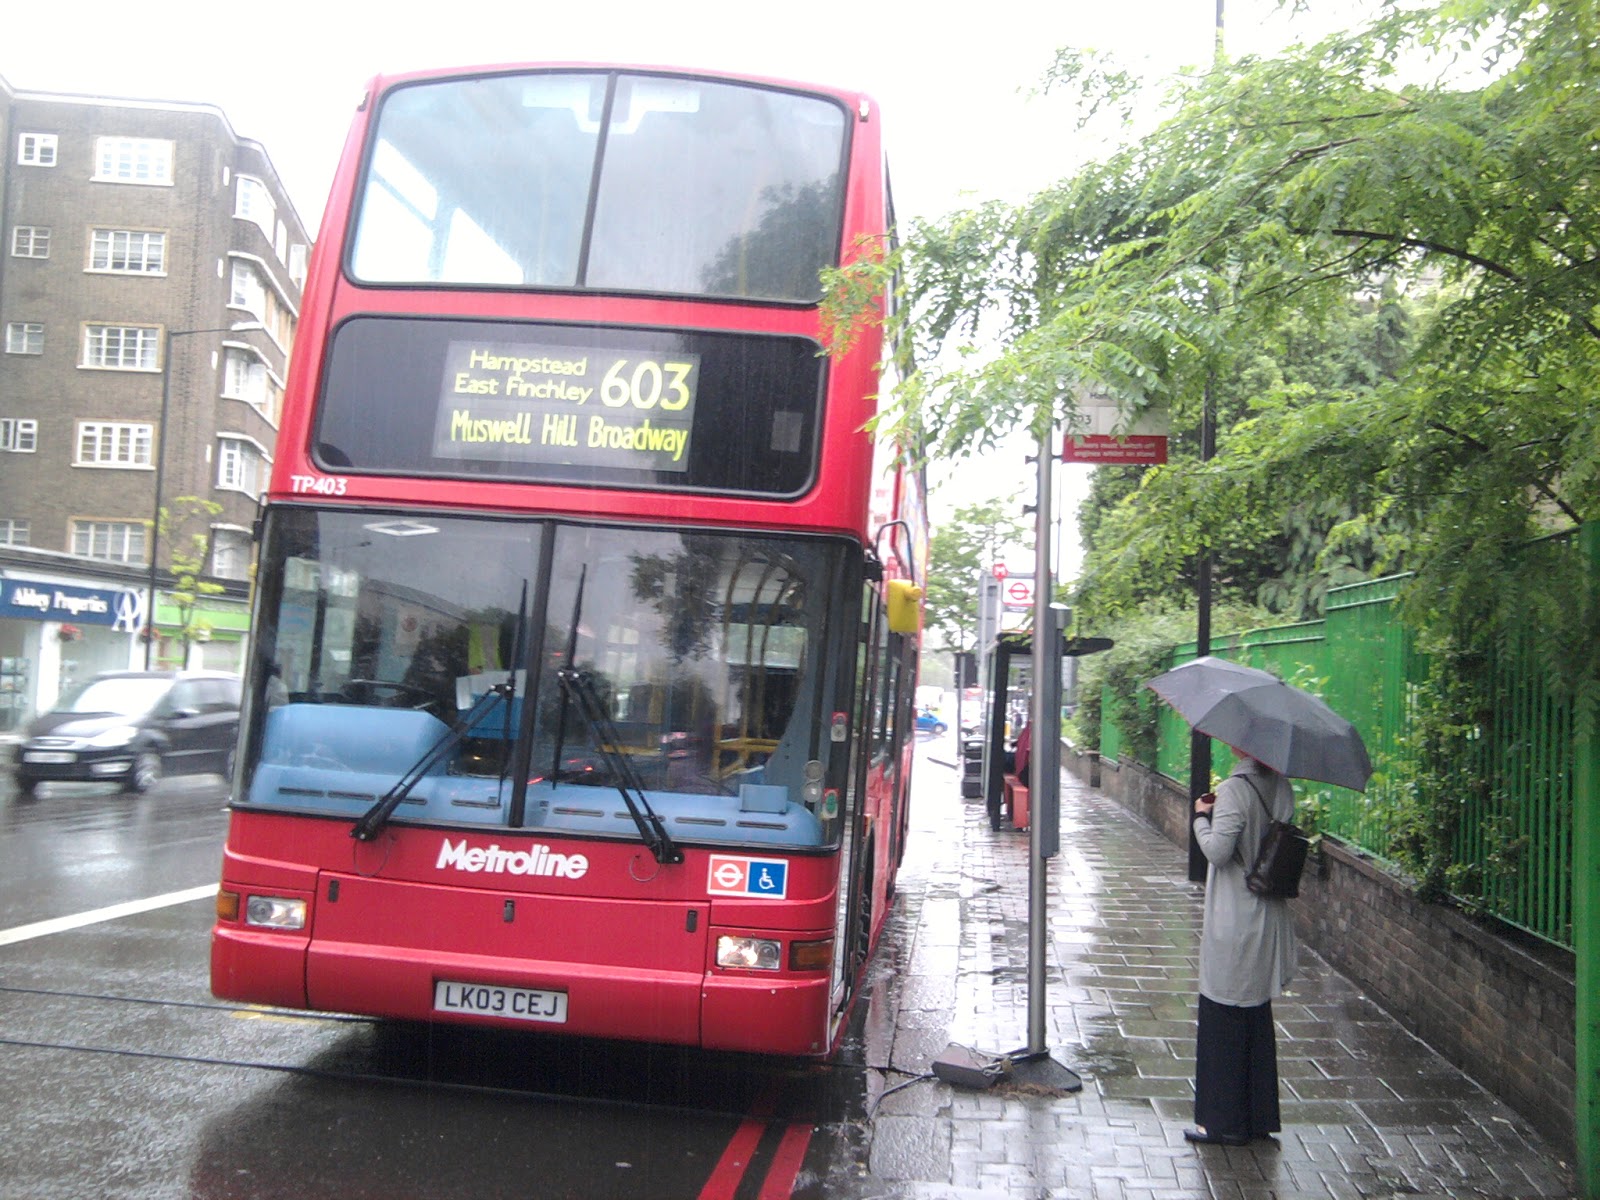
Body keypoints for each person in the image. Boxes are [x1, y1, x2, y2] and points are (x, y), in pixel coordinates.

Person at [1187, 748, 1297, 1145]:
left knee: (1223, 1014)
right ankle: (1257, 1117)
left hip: (1234, 917)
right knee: (1256, 1016)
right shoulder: (1281, 786)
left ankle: (1224, 1123)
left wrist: (1201, 817)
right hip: (1268, 915)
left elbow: (1218, 852)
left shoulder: (1235, 790)